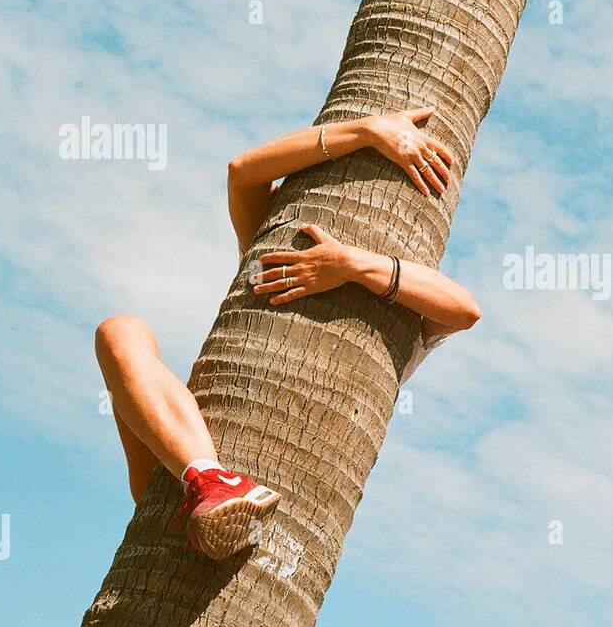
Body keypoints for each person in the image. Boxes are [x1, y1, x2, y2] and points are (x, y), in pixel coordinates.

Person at [94, 107, 481, 559]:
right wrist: (366, 131)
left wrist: (350, 265)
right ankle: (208, 478)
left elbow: (465, 309)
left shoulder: (402, 326)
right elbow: (243, 173)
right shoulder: (269, 256)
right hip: (183, 453)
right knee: (121, 329)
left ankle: (212, 485)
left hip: (294, 467)